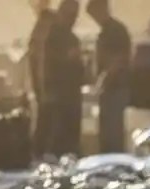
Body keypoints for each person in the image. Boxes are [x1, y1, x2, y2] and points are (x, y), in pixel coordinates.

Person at [40, 0, 85, 157]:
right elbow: (51, 65)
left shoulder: (69, 37)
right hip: (59, 94)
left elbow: (80, 69)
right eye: (69, 15)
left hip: (70, 94)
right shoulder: (54, 36)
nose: (72, 19)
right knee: (58, 138)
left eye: (74, 16)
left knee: (70, 137)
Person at [88, 0, 132, 153]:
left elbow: (120, 59)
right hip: (108, 87)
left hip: (115, 86)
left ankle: (114, 157)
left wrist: (104, 78)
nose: (94, 18)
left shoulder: (115, 31)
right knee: (107, 127)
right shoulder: (106, 31)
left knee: (112, 128)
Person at [26, 0, 57, 158]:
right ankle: (40, 151)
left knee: (46, 119)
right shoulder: (42, 34)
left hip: (44, 85)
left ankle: (40, 151)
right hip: (44, 86)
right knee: (45, 120)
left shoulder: (41, 34)